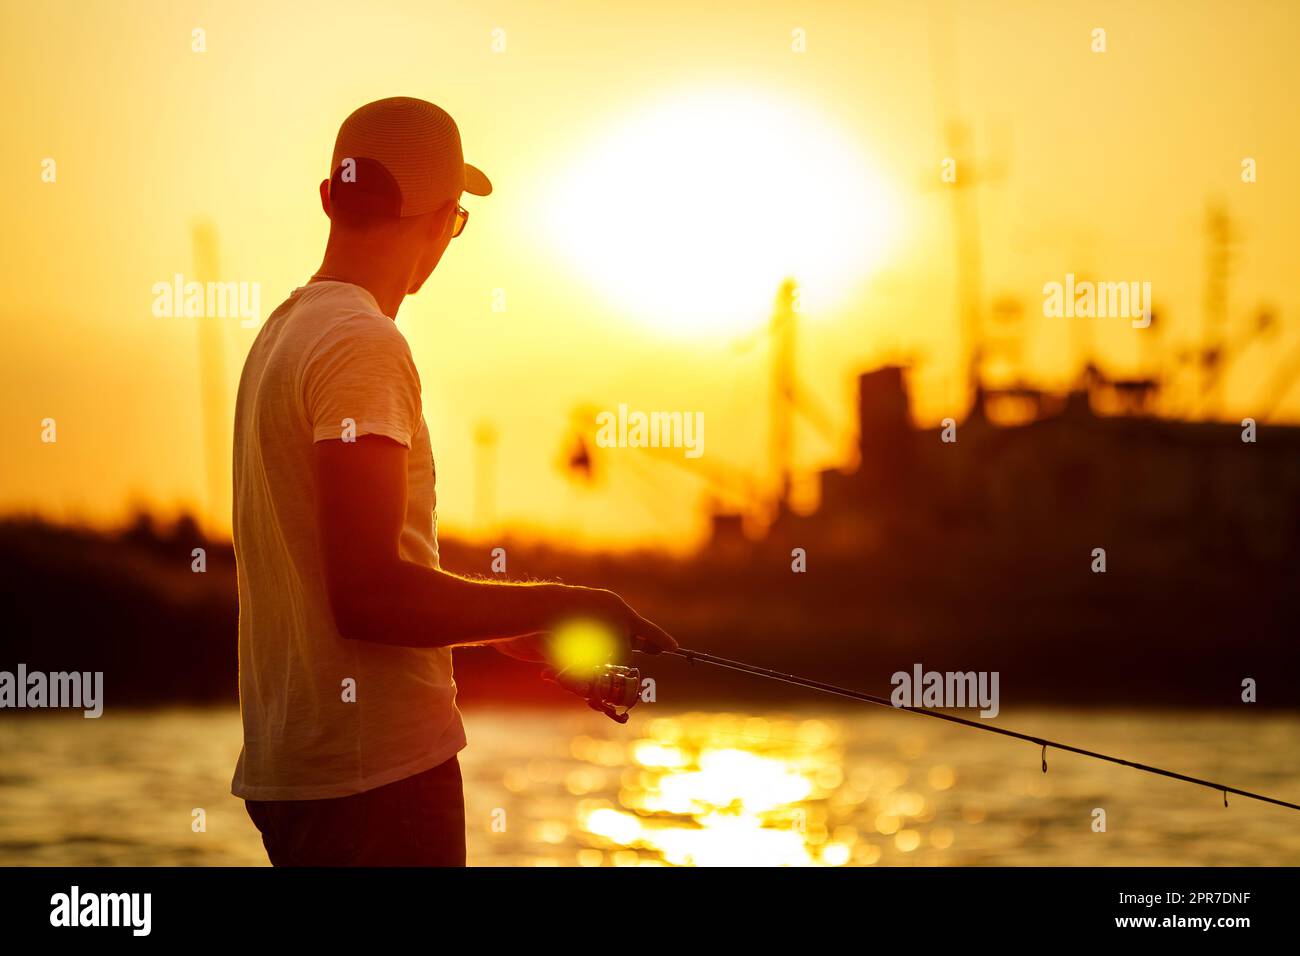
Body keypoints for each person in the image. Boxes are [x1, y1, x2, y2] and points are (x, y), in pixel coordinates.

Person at [230, 96, 675, 866]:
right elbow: (370, 595)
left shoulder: (283, 333)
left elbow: (354, 572)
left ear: (331, 197)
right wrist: (573, 601)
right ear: (442, 220)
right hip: (379, 784)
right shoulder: (363, 344)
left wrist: (520, 633)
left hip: (303, 778)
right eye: (458, 219)